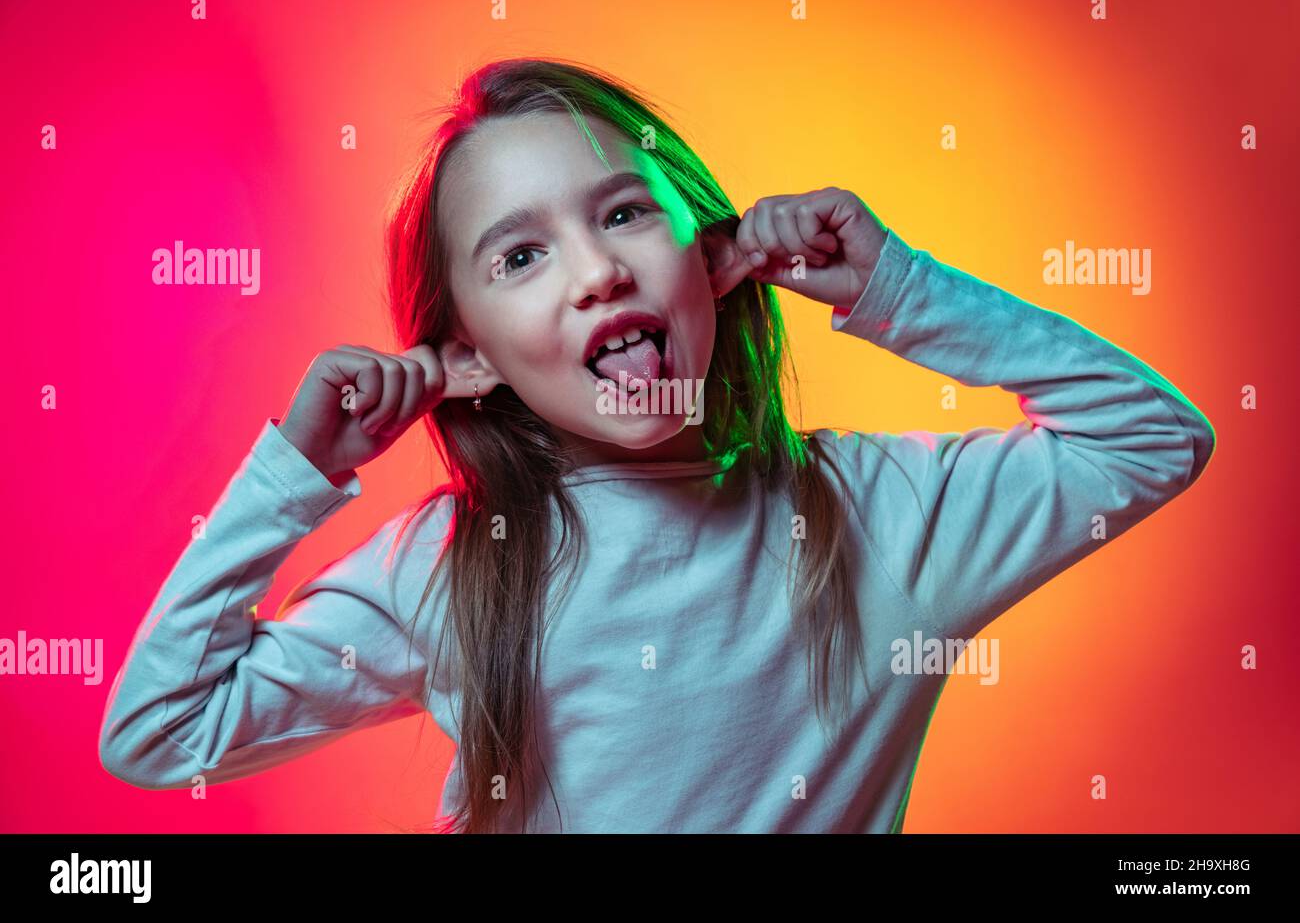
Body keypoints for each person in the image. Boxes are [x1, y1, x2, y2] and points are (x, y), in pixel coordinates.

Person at [98, 57, 1216, 833]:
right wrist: (298, 472)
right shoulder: (451, 564)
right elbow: (161, 729)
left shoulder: (883, 518)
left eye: (625, 213)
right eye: (520, 257)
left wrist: (897, 287)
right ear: (471, 355)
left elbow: (1151, 435)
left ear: (716, 257)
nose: (597, 271)